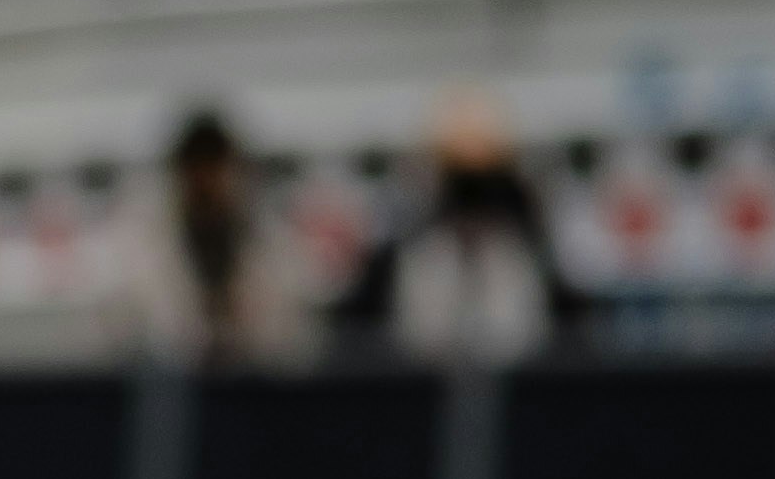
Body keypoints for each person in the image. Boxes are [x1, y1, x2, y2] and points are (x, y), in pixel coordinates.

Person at [336, 90, 568, 360]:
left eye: (481, 190)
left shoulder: (522, 253)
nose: (471, 212)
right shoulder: (411, 254)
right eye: (459, 190)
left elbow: (536, 330)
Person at [124, 105, 309, 363]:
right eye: (195, 166)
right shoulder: (144, 245)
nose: (205, 180)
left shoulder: (269, 244)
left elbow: (289, 335)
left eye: (214, 165)